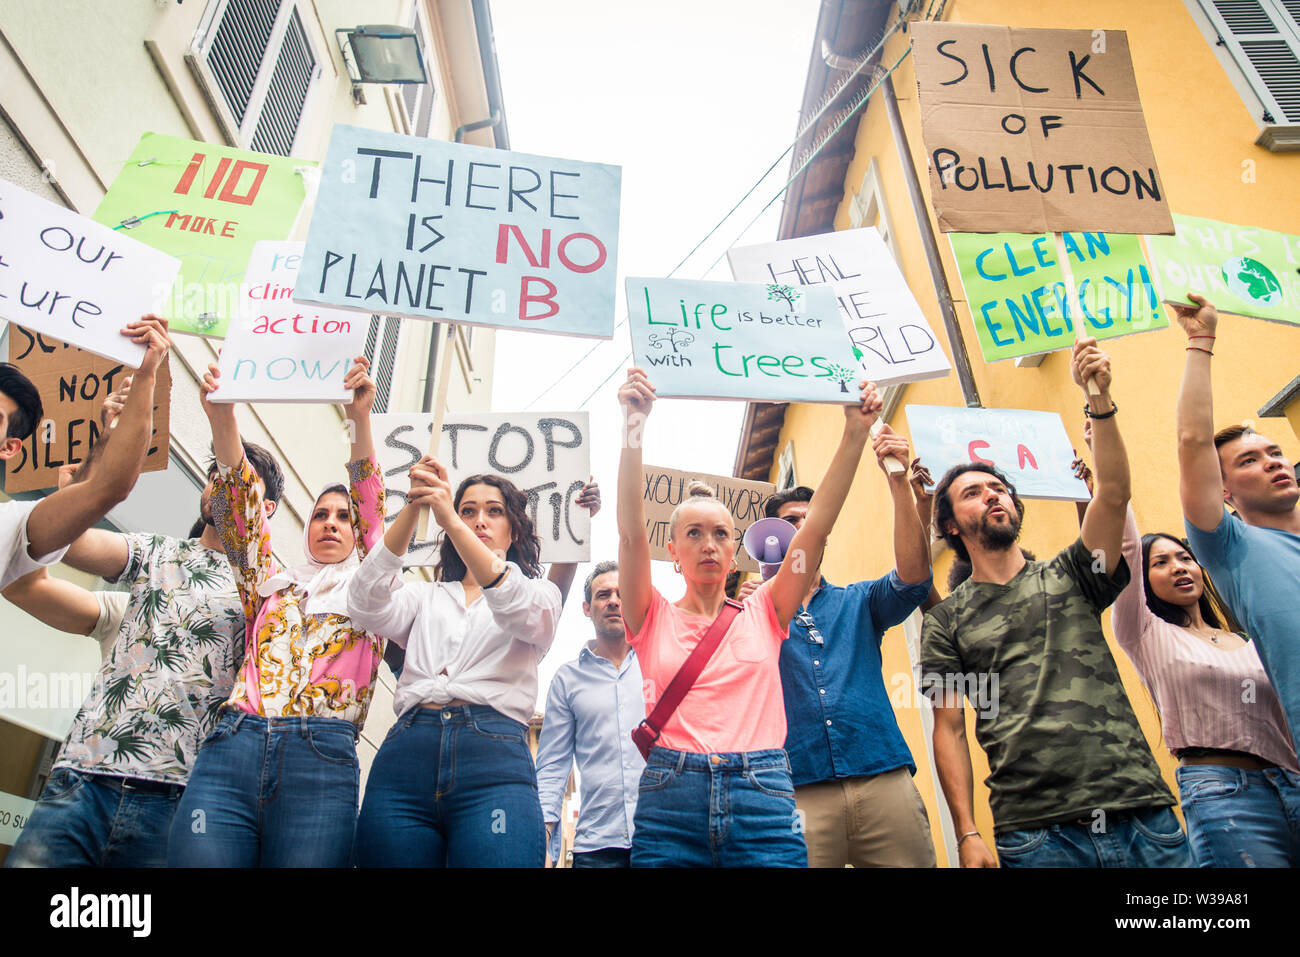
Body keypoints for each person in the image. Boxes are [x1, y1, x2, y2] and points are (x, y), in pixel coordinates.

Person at [4, 318, 276, 868]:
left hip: (181, 796)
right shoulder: (157, 553)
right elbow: (72, 538)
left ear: (263, 510)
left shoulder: (271, 590)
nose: (220, 490)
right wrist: (104, 445)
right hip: (81, 777)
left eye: (238, 484)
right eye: (214, 478)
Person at [921, 338, 1189, 868]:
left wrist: (1099, 400)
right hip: (1036, 833)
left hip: (1141, 813)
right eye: (974, 492)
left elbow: (1112, 493)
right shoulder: (946, 621)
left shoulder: (1074, 575)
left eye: (1000, 487)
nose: (994, 494)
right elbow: (948, 727)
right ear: (950, 525)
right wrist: (968, 833)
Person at [615, 366, 878, 868]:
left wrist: (855, 433)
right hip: (672, 795)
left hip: (764, 796)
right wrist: (634, 423)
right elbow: (629, 535)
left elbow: (815, 531)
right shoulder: (649, 615)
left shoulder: (767, 609)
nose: (708, 544)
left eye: (719, 533)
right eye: (693, 534)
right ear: (672, 552)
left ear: (736, 549)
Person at [165, 358, 384, 867]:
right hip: (234, 746)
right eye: (320, 515)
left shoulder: (376, 590)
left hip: (320, 762)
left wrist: (360, 420)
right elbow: (240, 507)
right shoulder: (268, 583)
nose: (331, 524)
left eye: (342, 517)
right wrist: (223, 416)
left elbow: (375, 514)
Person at [347, 457, 595, 867]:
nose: (479, 520)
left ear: (514, 527)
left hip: (494, 766)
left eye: (493, 511)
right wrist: (417, 504)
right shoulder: (423, 596)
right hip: (406, 760)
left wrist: (450, 517)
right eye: (467, 510)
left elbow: (517, 606)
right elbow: (363, 602)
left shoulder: (538, 594)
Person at [736, 423, 935, 868]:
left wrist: (899, 482)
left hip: (882, 777)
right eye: (791, 522)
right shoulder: (747, 613)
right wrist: (741, 611)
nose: (804, 528)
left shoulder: (859, 600)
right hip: (794, 788)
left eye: (811, 518)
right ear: (769, 537)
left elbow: (914, 578)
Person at [1112, 504, 1300, 867]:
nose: (1179, 567)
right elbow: (1124, 552)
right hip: (1225, 793)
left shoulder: (1247, 638)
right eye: (1160, 562)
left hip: (1291, 781)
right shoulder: (1145, 632)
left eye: (1184, 557)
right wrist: (1106, 494)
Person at [1174, 293, 1300, 759]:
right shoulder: (1230, 545)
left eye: (1274, 453)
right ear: (1223, 492)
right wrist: (1201, 340)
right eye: (1249, 460)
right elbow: (1191, 440)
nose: (1271, 463)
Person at [535, 560, 644, 868]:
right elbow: (553, 766)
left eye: (622, 594)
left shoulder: (659, 662)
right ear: (586, 607)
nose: (613, 601)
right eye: (603, 594)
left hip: (662, 838)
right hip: (596, 846)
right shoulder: (568, 679)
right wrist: (543, 836)